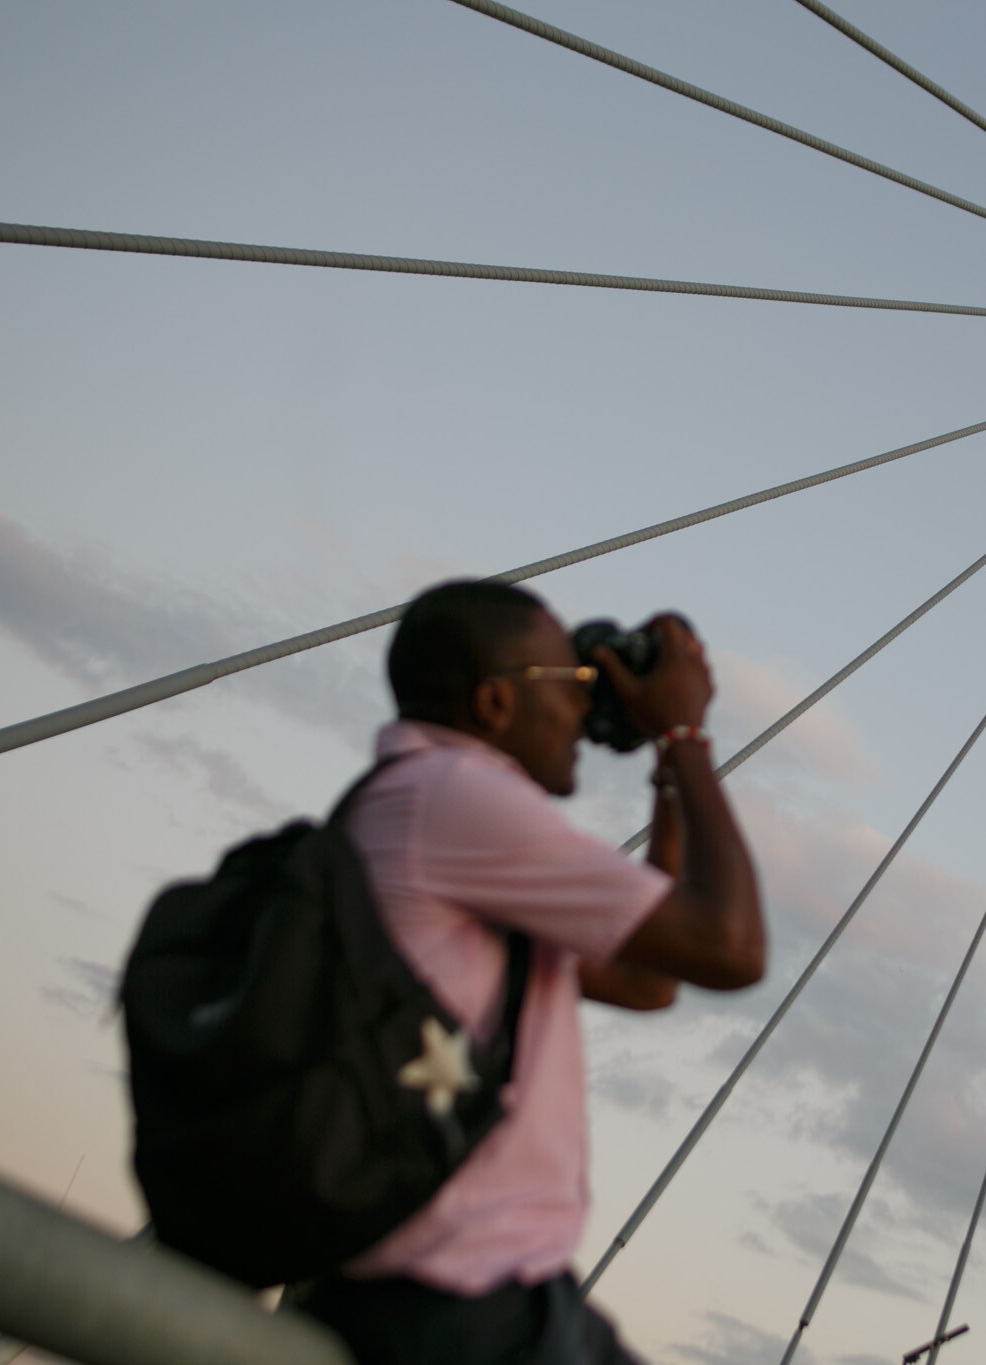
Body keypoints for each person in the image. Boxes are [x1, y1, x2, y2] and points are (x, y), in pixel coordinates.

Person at [291, 580, 765, 1365]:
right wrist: (682, 731)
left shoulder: (414, 804)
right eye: (571, 683)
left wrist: (667, 782)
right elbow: (731, 946)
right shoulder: (458, 798)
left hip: (478, 1282)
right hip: (450, 1294)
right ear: (494, 704)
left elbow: (650, 982)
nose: (586, 707)